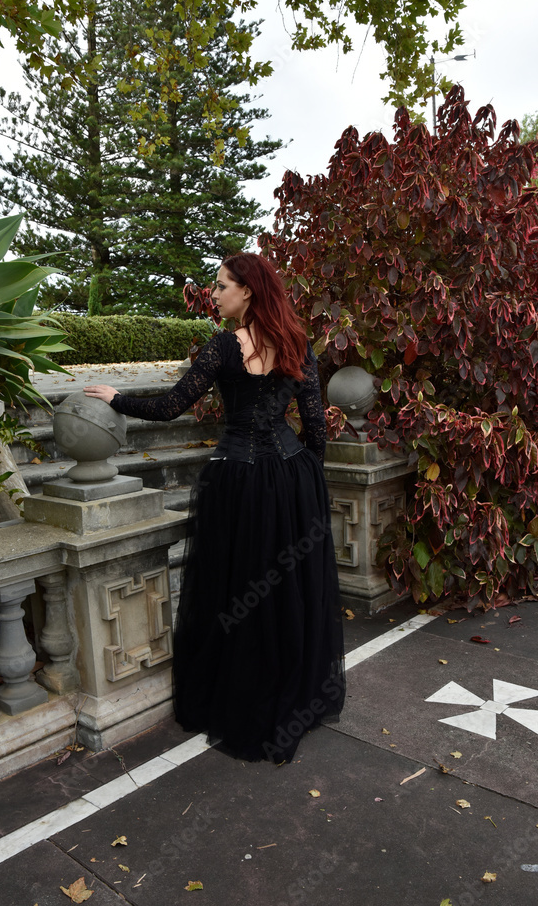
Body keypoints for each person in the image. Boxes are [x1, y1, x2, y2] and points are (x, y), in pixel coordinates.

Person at [84, 253, 345, 763]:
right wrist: (305, 482)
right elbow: (315, 428)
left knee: (239, 587)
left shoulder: (226, 346)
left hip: (240, 482)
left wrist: (117, 398)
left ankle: (241, 692)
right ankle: (290, 689)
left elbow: (169, 406)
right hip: (292, 478)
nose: (215, 294)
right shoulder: (297, 343)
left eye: (222, 286)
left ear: (247, 291)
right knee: (286, 588)